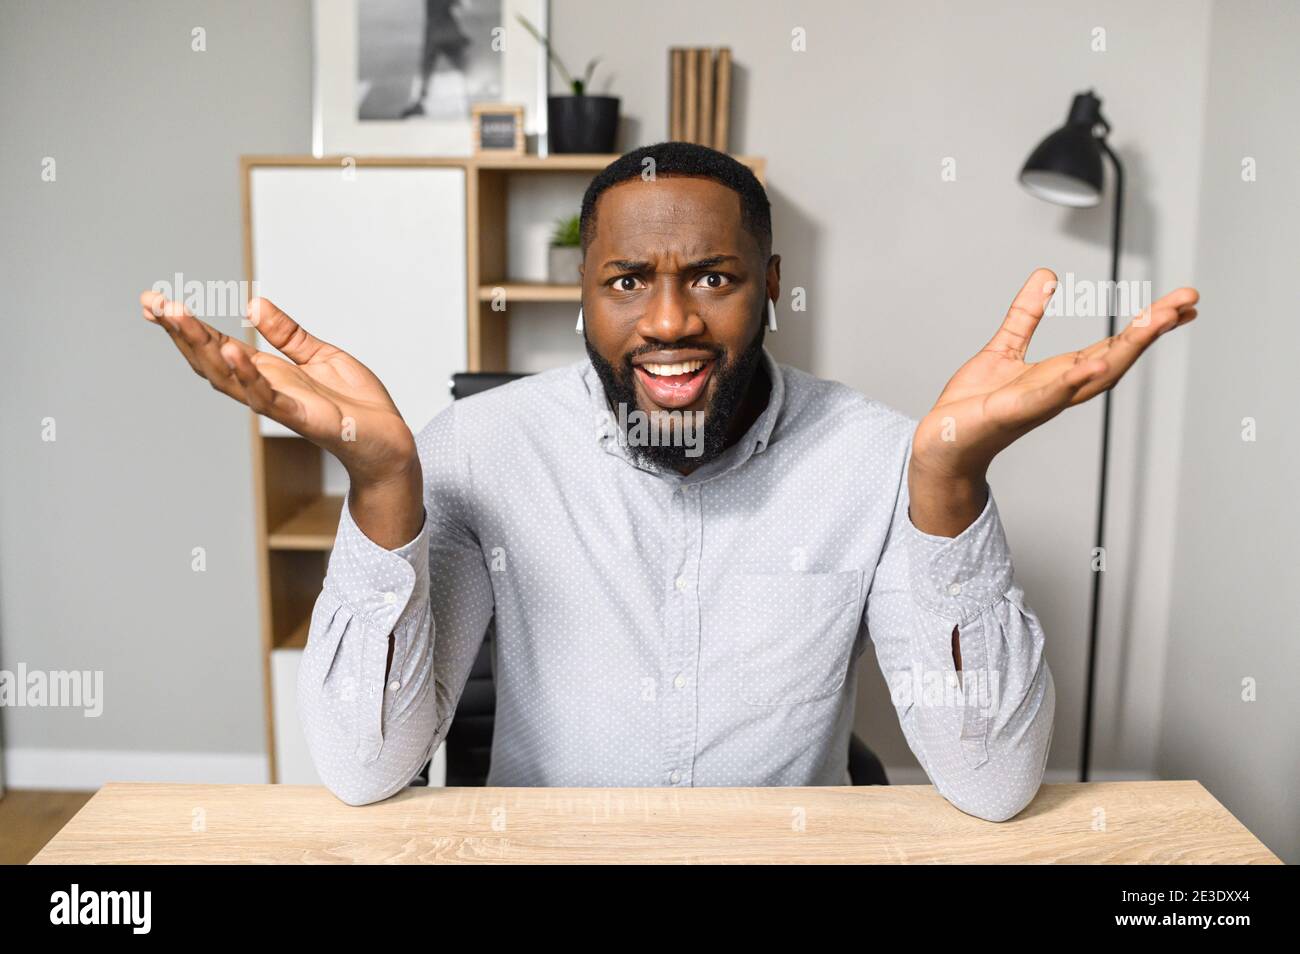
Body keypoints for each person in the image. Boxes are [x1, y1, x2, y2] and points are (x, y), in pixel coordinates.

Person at [139, 142, 1198, 820]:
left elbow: (994, 782)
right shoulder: (473, 448)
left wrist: (949, 482)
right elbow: (367, 769)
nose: (668, 320)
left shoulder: (881, 459)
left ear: (771, 287)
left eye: (714, 277)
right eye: (627, 280)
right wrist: (382, 490)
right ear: (583, 297)